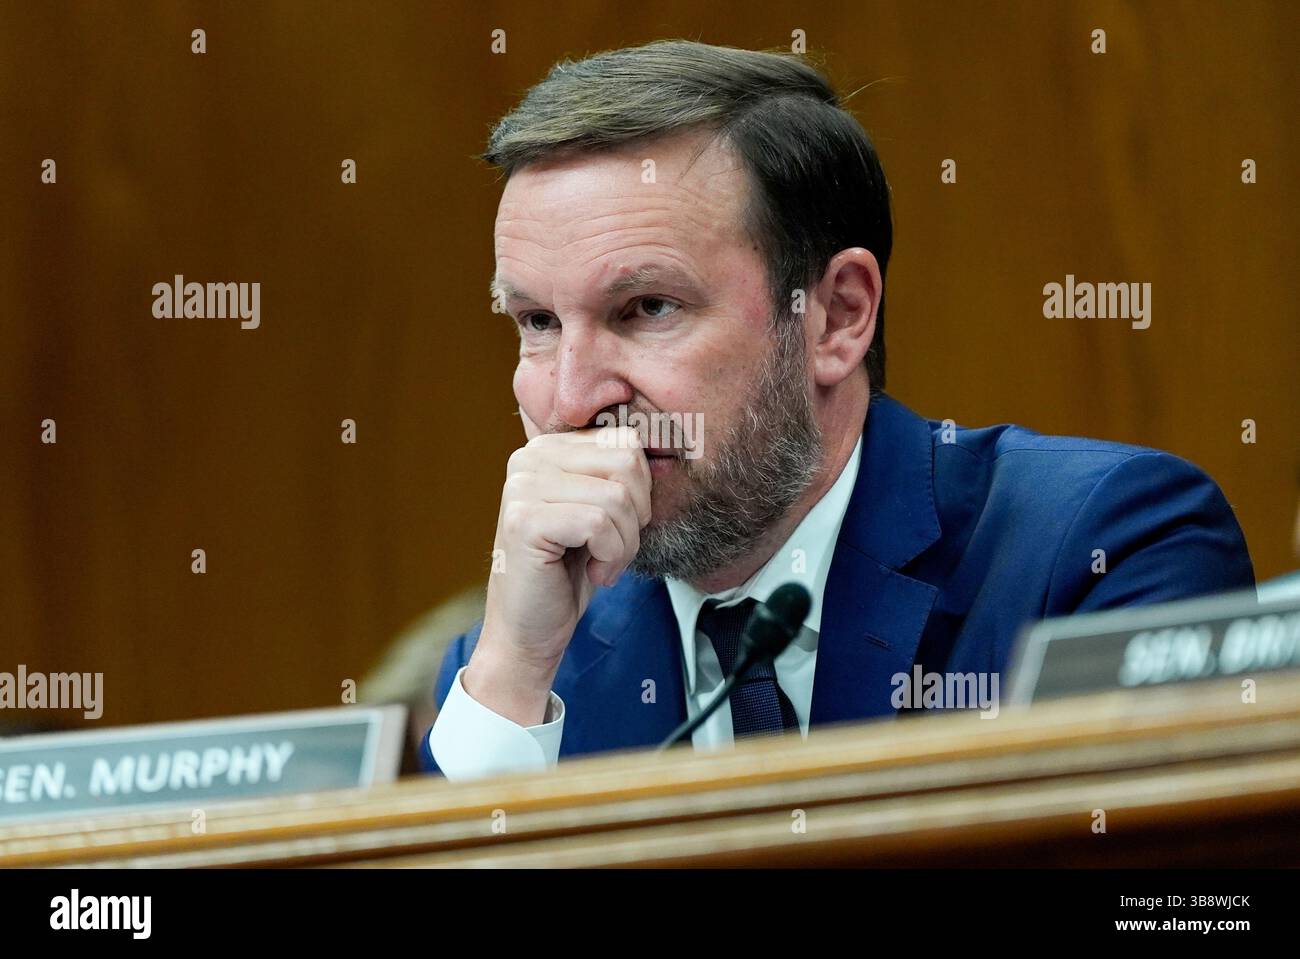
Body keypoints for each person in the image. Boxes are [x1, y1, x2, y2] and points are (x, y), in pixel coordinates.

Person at [421, 40, 1254, 780]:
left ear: (836, 315)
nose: (571, 398)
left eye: (647, 308)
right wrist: (515, 673)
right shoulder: (517, 669)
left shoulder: (1098, 551)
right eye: (537, 322)